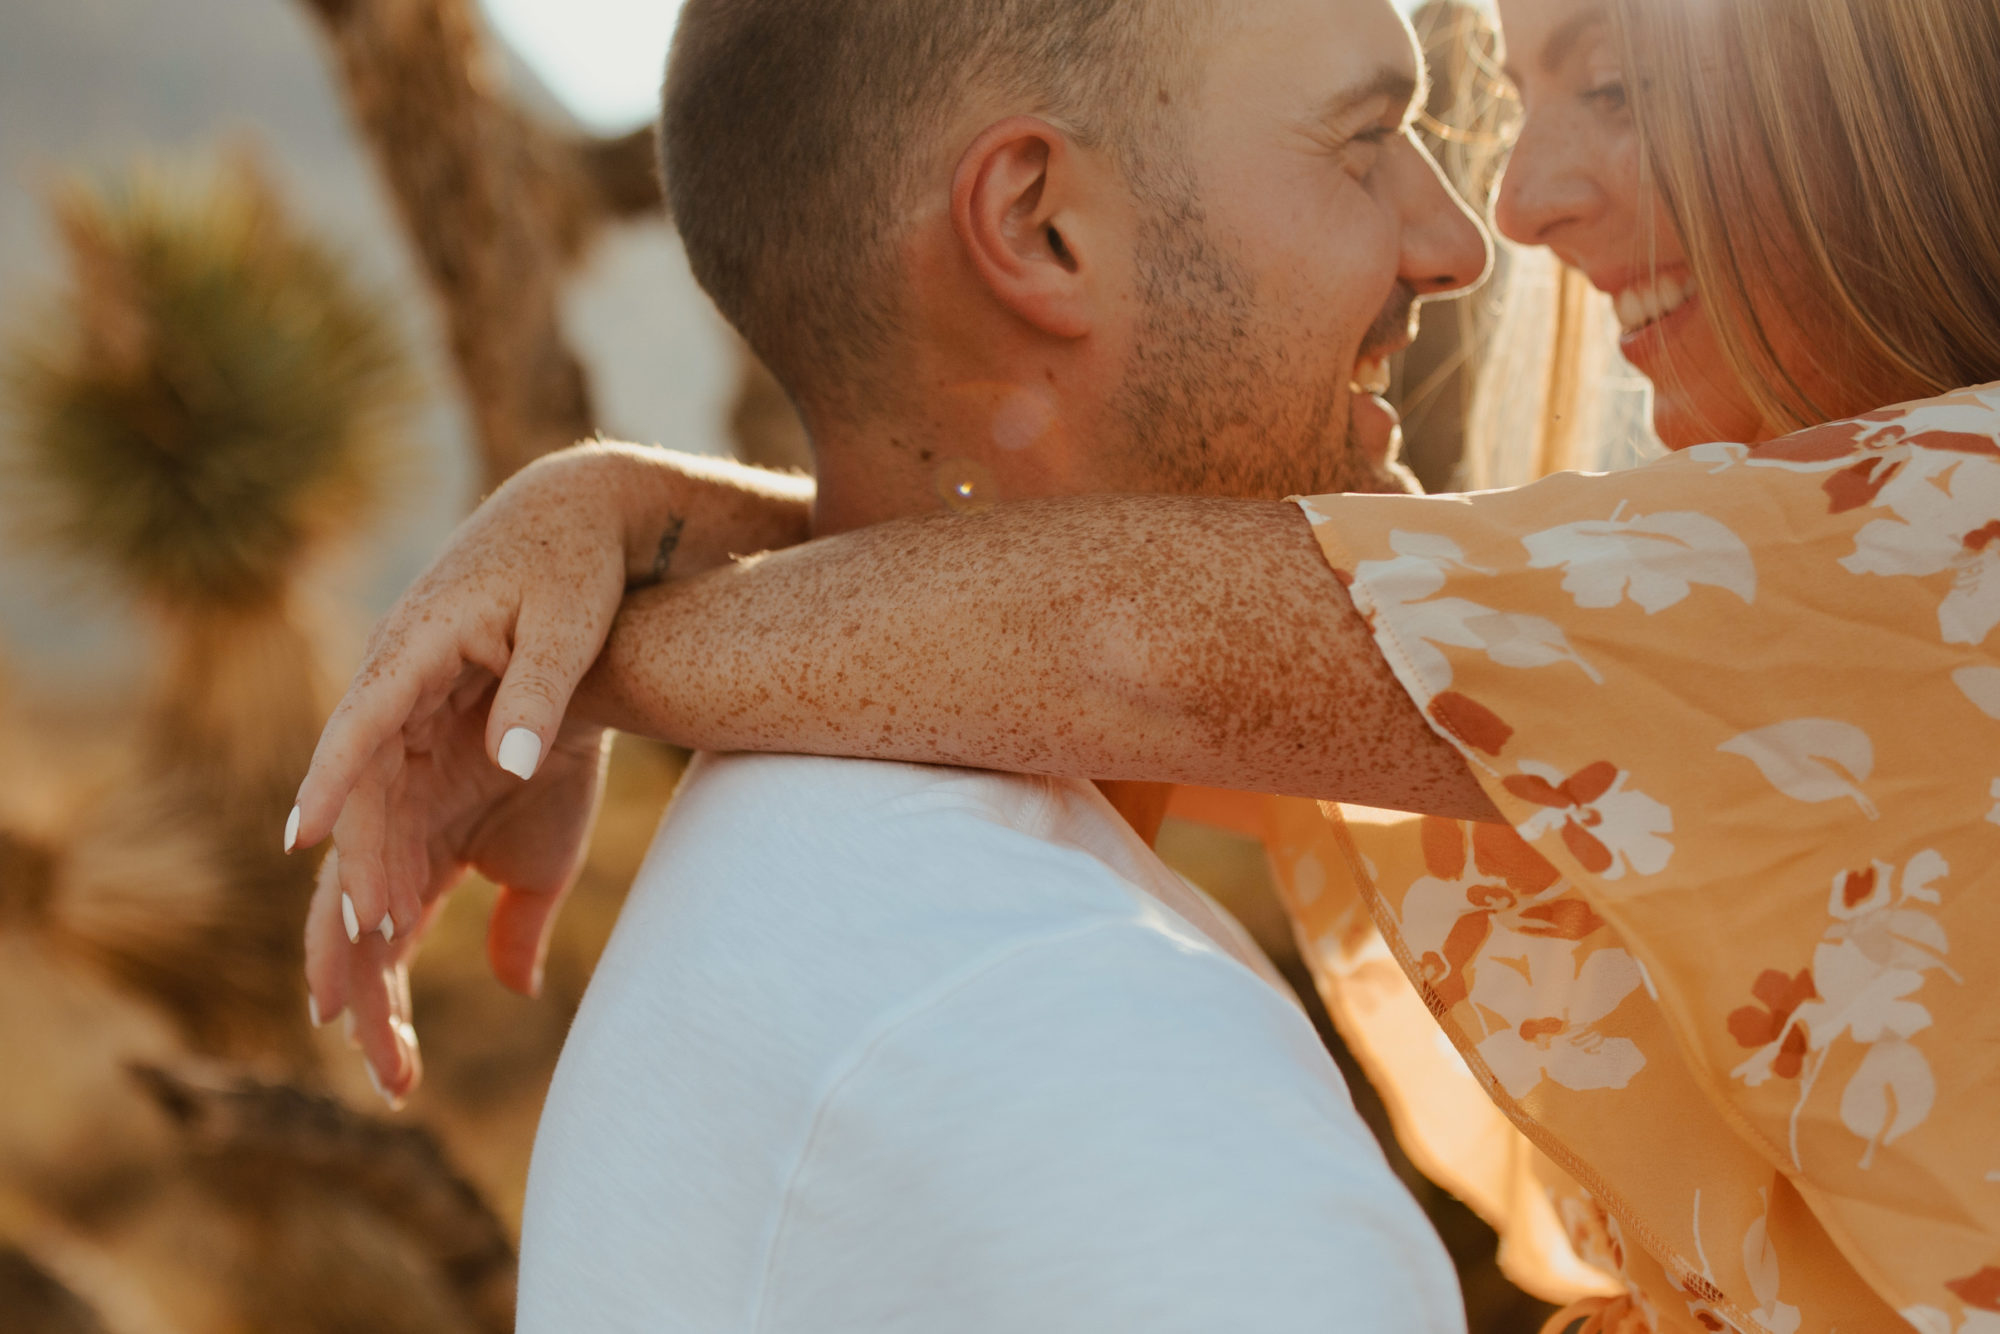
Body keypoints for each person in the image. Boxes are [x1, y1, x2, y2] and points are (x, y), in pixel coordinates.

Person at [292, 0, 2000, 1328]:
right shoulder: (1671, 661)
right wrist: (597, 541)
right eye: (1366, 141)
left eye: (1617, 85)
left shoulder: (1943, 545)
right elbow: (1184, 624)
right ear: (1035, 232)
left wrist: (583, 636)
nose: (1499, 222)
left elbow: (1151, 640)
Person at [327, 0, 1493, 1328]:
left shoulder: (820, 880)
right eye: (1365, 139)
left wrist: (622, 579)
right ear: (1039, 226)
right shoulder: (1105, 1078)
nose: (1457, 241)